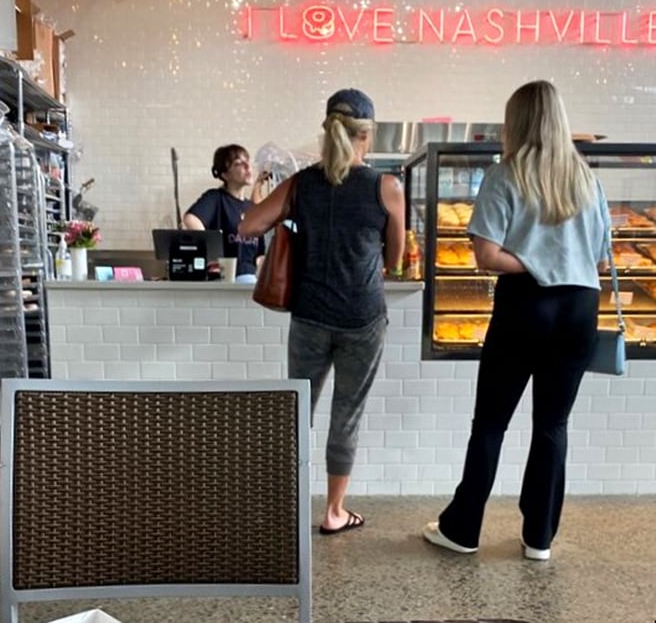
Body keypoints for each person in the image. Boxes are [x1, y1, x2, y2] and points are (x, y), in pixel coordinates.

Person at [423, 80, 611, 561]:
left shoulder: (505, 176)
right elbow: (603, 261)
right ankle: (539, 538)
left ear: (517, 122)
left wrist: (536, 261)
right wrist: (562, 260)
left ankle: (463, 530)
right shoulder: (588, 180)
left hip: (526, 307)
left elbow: (486, 255)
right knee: (553, 425)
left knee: (490, 423)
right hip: (579, 310)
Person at [239, 88, 405, 535]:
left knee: (298, 411)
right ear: (366, 135)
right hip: (363, 318)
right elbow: (396, 257)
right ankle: (334, 512)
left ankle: (283, 508)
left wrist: (283, 210)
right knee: (345, 415)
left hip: (310, 315)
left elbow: (249, 224)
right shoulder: (386, 187)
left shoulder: (302, 183)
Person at [183, 144, 268, 278]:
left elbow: (260, 254)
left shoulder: (252, 208)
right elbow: (191, 219)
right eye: (238, 163)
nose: (247, 166)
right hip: (227, 278)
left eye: (247, 161)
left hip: (250, 278)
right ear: (225, 174)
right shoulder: (216, 198)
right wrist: (212, 254)